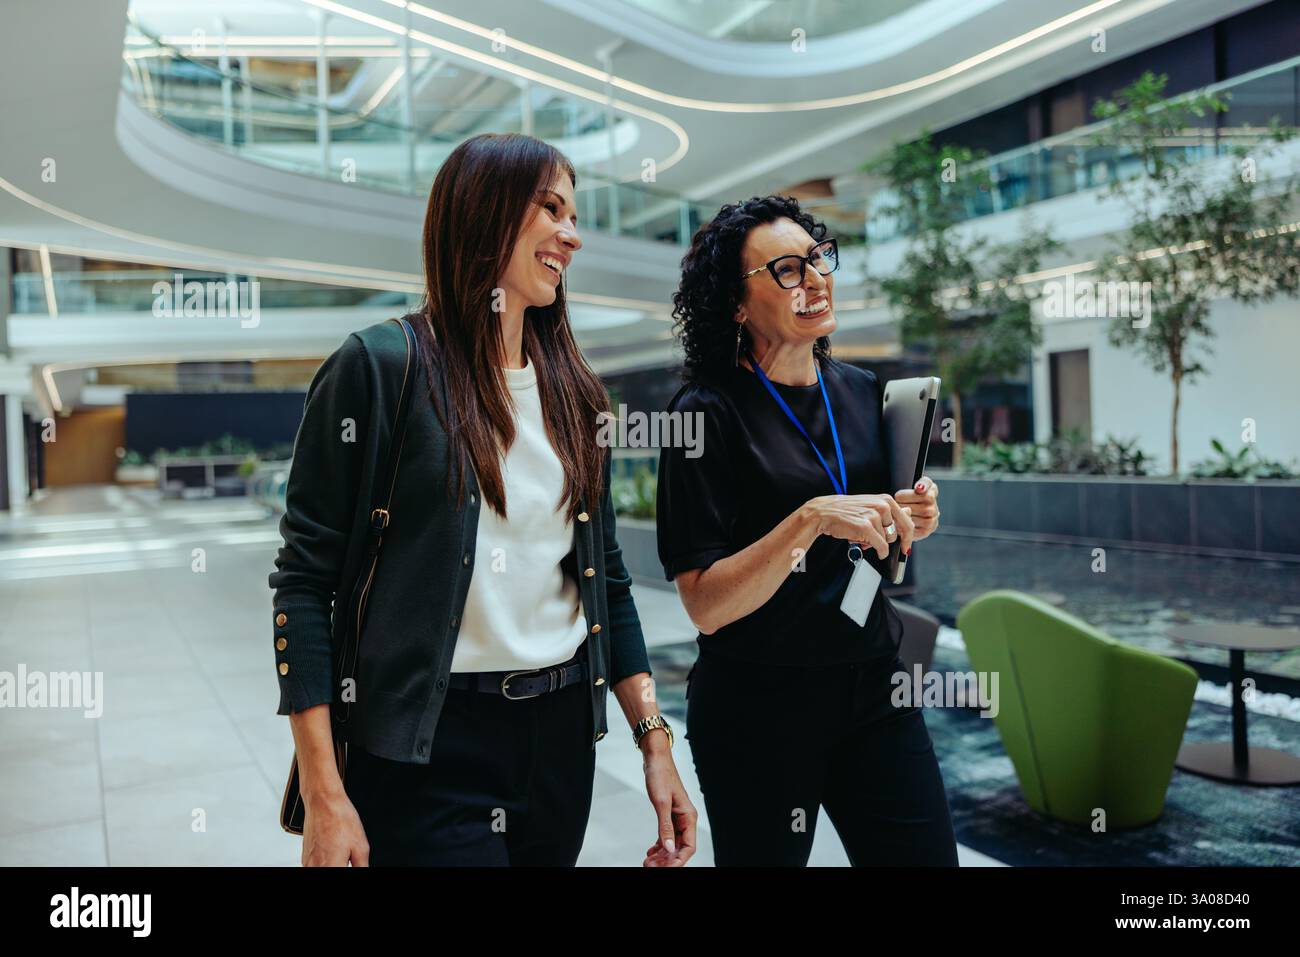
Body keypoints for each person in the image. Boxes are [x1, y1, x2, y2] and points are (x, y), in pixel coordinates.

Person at [270, 132, 696, 867]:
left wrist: (654, 739)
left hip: (560, 744)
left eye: (574, 213)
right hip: (428, 746)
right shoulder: (379, 368)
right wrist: (325, 792)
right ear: (486, 211)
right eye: (552, 208)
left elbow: (609, 583)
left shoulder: (574, 391)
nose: (574, 234)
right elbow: (305, 585)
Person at [656, 195, 957, 866]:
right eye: (788, 270)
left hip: (875, 684)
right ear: (737, 304)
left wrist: (911, 517)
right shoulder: (704, 414)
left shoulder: (857, 389)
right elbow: (705, 603)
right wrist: (811, 517)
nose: (816, 278)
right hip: (758, 706)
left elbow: (877, 537)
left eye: (818, 258)